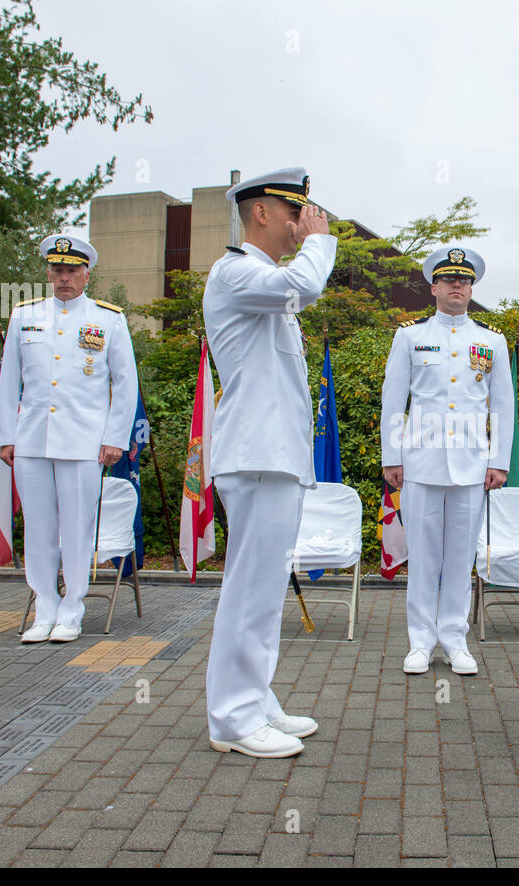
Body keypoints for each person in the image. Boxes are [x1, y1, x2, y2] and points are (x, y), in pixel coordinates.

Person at [202, 167, 336, 758]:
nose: (299, 225)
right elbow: (304, 287)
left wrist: (310, 244)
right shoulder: (237, 272)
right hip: (256, 455)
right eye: (293, 214)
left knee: (262, 589)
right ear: (262, 213)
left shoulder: (261, 277)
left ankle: (254, 698)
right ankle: (232, 717)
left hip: (273, 454)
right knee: (249, 589)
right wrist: (321, 241)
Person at [0, 235, 138, 644]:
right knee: (38, 529)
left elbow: (125, 384)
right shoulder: (24, 316)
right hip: (32, 440)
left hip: (83, 442)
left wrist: (114, 438)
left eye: (72, 271)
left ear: (86, 274)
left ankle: (72, 610)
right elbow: (9, 382)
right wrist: (8, 436)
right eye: (57, 270)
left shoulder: (108, 319)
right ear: (48, 273)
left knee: (76, 529)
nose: (64, 278)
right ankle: (44, 610)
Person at [381, 247, 513, 676]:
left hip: (472, 466)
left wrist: (499, 461)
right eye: (450, 280)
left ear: (472, 288)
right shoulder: (410, 337)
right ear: (434, 287)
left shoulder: (491, 341)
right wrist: (391, 456)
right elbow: (393, 401)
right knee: (423, 557)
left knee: (460, 557)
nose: (458, 286)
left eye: (465, 280)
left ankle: (455, 639)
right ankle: (420, 641)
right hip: (419, 464)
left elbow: (504, 407)